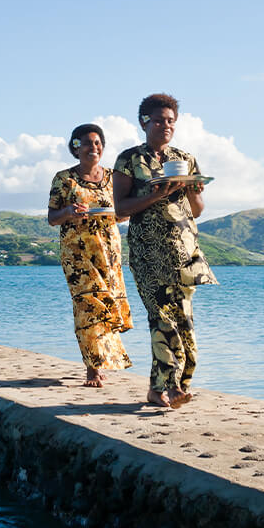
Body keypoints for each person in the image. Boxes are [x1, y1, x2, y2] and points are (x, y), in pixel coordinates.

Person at [112, 93, 216, 408]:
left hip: (184, 252)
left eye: (170, 121)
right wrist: (158, 194)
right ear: (144, 122)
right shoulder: (129, 159)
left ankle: (168, 388)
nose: (166, 125)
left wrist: (193, 191)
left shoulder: (185, 159)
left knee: (184, 323)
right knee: (162, 319)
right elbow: (120, 210)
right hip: (148, 252)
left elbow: (196, 210)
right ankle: (169, 388)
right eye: (159, 121)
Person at [48, 122, 134, 386]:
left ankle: (102, 360)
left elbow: (123, 213)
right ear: (75, 148)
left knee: (106, 304)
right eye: (86, 143)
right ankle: (92, 369)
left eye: (98, 143)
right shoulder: (64, 179)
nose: (93, 147)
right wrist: (68, 212)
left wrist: (122, 213)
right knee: (88, 306)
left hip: (109, 252)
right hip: (78, 255)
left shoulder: (113, 177)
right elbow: (52, 218)